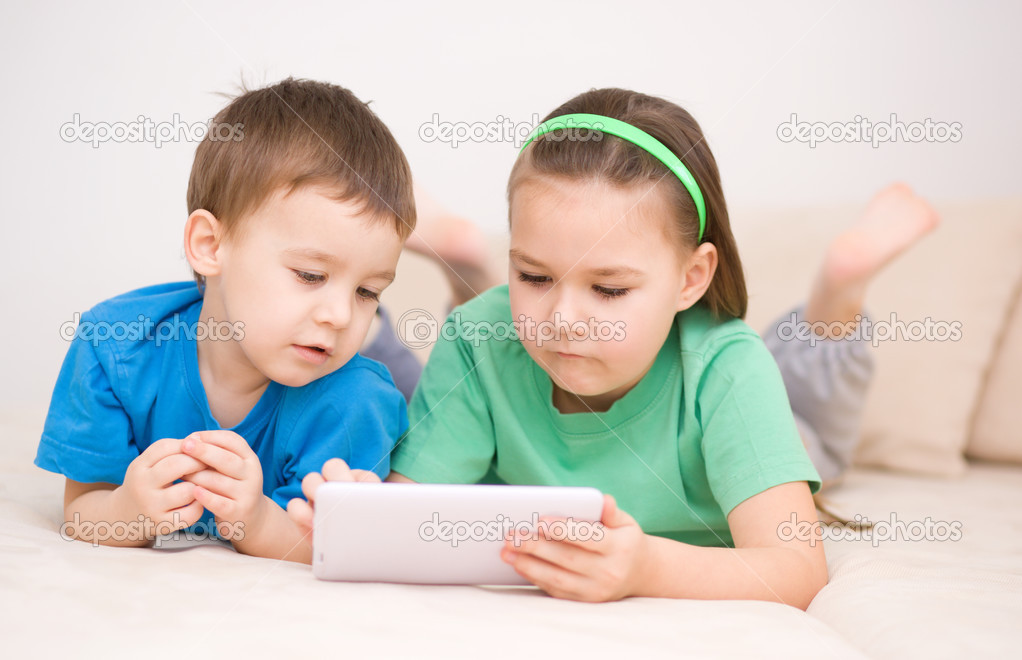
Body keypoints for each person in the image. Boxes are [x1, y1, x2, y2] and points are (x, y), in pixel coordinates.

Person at [290, 88, 938, 606]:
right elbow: (414, 514)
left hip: (747, 400)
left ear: (691, 278)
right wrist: (357, 509)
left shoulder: (730, 369)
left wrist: (648, 566)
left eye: (609, 289)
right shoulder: (481, 336)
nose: (565, 320)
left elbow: (797, 569)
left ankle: (835, 297)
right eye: (534, 276)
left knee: (813, 424)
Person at [35, 78, 416, 563]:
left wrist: (257, 522)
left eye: (368, 292)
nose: (341, 315)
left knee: (406, 380)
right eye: (310, 274)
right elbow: (83, 509)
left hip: (383, 376)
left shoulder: (356, 400)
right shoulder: (114, 346)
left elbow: (327, 544)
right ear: (210, 246)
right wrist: (129, 511)